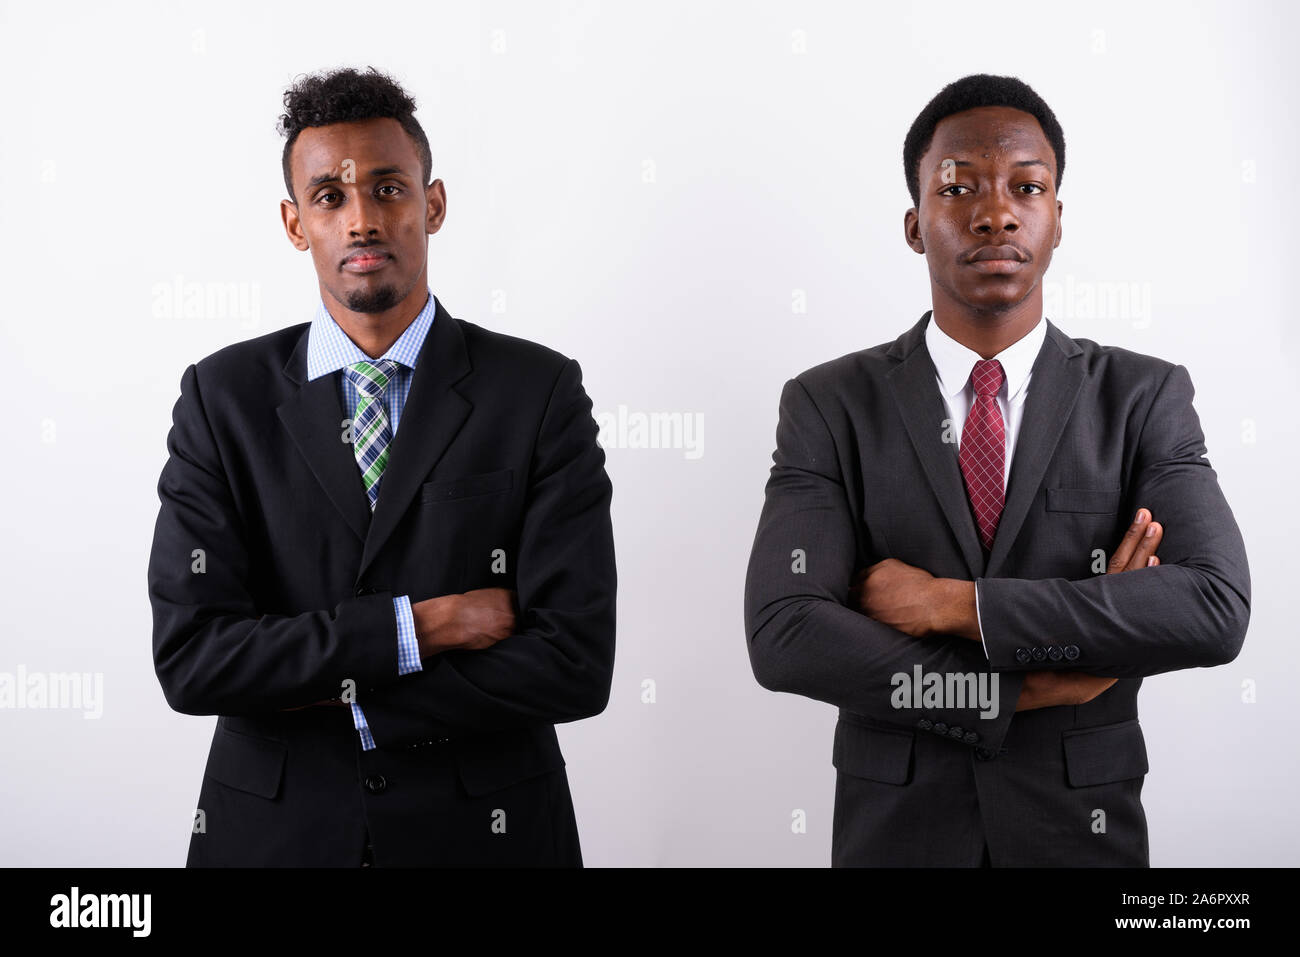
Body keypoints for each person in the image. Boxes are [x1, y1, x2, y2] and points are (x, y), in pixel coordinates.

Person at [743, 73, 1249, 867]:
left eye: (1027, 187)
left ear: (1056, 220)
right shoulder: (828, 403)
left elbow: (1213, 605)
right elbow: (786, 633)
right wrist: (1016, 687)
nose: (995, 212)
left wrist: (954, 604)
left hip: (1079, 833)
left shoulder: (1143, 396)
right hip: (897, 837)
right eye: (959, 189)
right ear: (915, 225)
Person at [148, 66, 616, 867]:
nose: (362, 219)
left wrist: (337, 687)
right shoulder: (220, 399)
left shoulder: (537, 391)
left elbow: (574, 662)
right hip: (274, 839)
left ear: (432, 204)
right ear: (297, 224)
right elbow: (195, 659)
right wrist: (417, 628)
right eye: (331, 196)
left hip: (488, 837)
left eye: (389, 189)